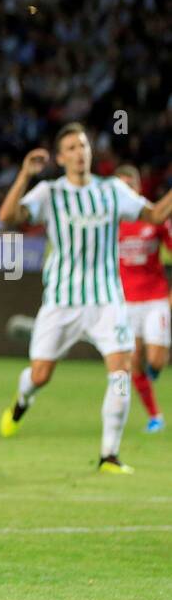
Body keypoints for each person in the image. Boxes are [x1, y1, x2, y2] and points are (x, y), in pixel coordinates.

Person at [0, 123, 172, 472]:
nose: (80, 153)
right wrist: (24, 175)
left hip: (108, 301)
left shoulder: (112, 191)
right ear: (61, 158)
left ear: (91, 153)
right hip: (62, 301)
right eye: (72, 148)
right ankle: (21, 401)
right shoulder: (49, 192)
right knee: (41, 374)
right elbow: (8, 217)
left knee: (121, 372)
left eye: (83, 146)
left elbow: (153, 214)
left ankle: (109, 454)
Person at [114, 164, 172, 432]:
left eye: (130, 185)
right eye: (120, 185)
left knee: (157, 360)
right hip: (126, 302)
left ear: (138, 188)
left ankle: (156, 371)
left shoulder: (153, 218)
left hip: (155, 299)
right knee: (133, 360)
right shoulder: (110, 224)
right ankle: (155, 415)